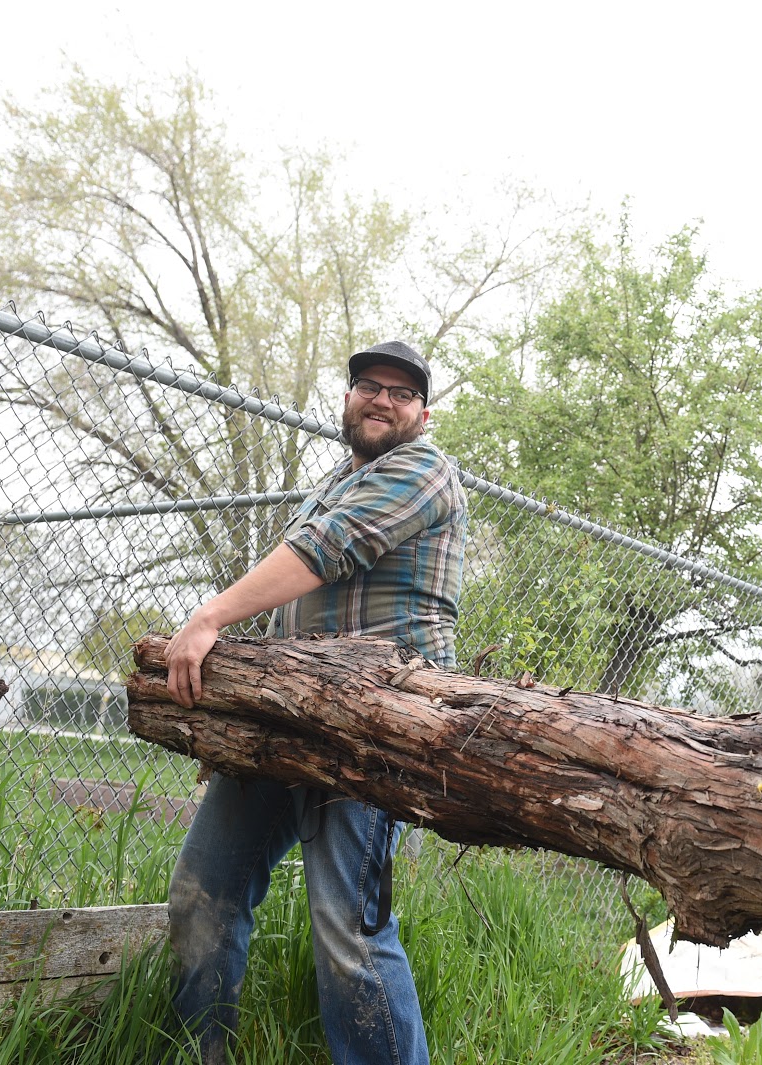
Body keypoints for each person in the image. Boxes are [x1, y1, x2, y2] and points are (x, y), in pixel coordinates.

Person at [164, 340, 466, 1065]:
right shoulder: (332, 480)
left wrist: (209, 617)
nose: (382, 399)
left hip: (377, 721)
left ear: (422, 413)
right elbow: (289, 608)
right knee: (202, 891)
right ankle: (198, 1052)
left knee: (346, 929)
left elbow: (330, 548)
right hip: (288, 717)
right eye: (369, 385)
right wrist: (235, 729)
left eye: (401, 392)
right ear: (348, 398)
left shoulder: (426, 469)